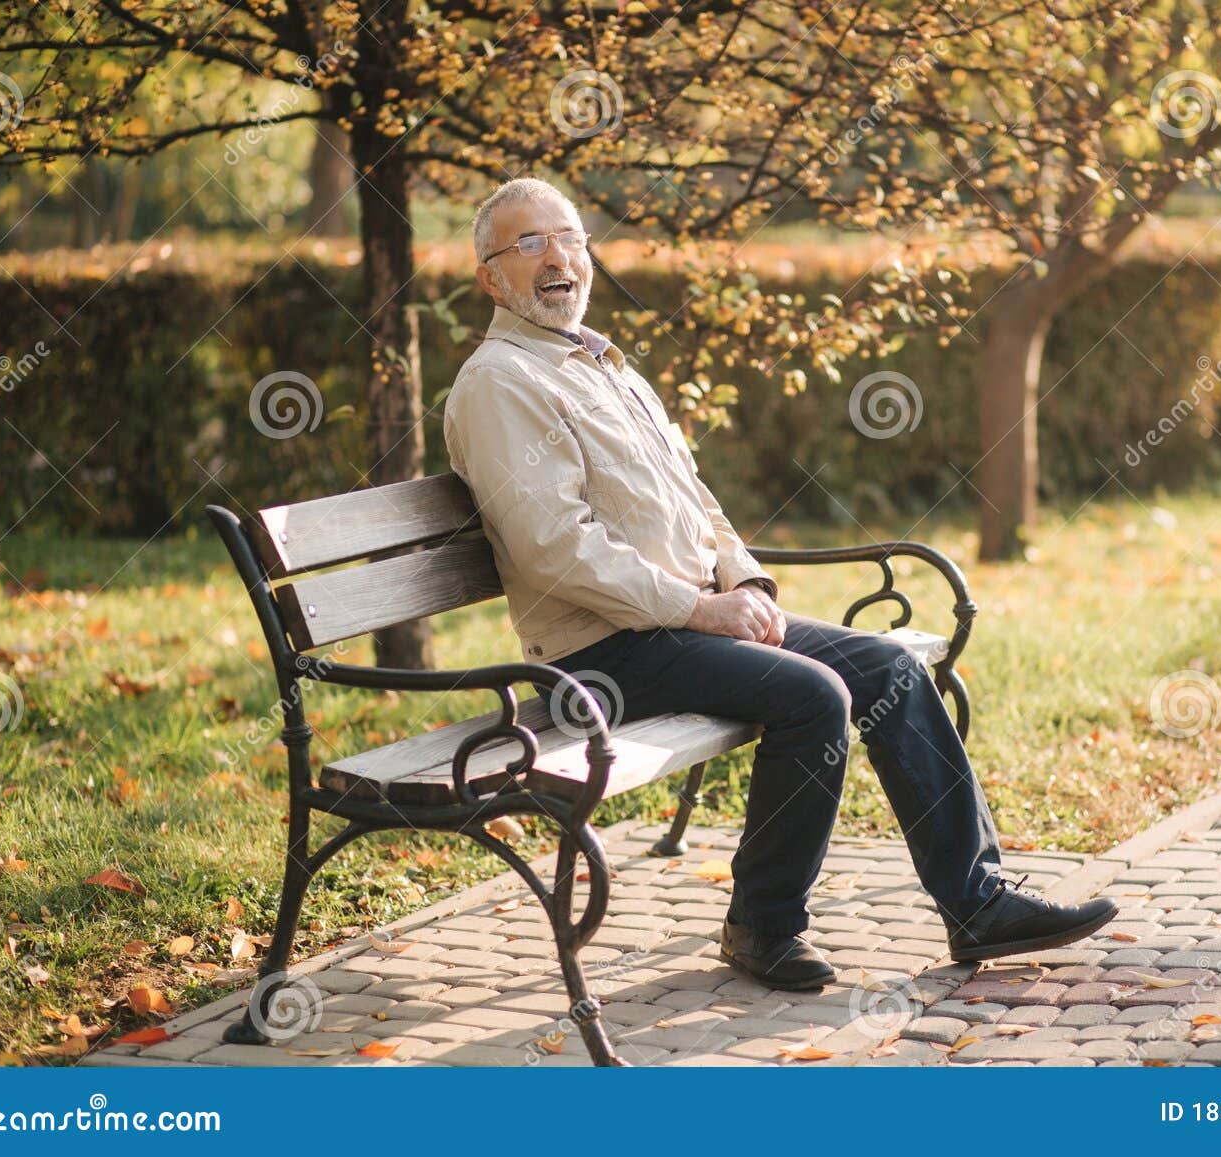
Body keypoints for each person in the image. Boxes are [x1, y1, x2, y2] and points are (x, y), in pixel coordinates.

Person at [442, 177, 1117, 990]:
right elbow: (557, 549)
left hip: (689, 623)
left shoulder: (605, 365)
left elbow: (697, 501)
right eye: (529, 243)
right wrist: (702, 607)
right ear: (491, 276)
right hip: (602, 653)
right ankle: (762, 925)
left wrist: (745, 583)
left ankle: (978, 903)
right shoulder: (498, 382)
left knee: (890, 668)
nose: (558, 257)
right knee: (815, 696)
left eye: (571, 237)